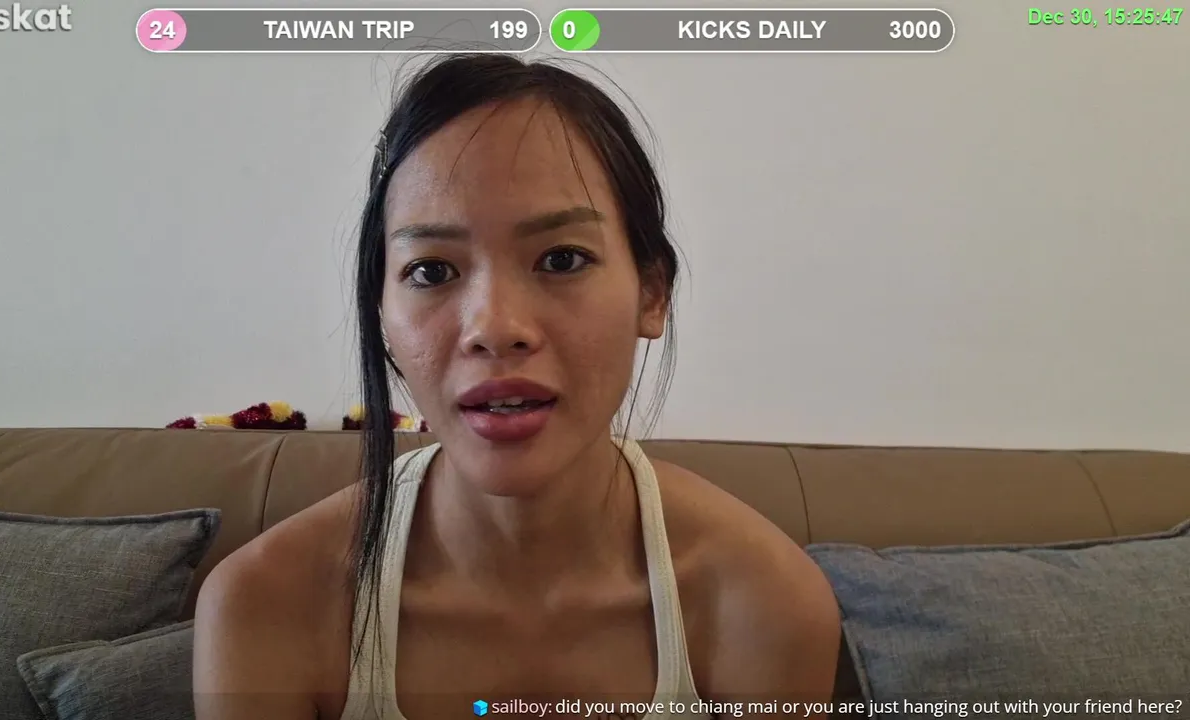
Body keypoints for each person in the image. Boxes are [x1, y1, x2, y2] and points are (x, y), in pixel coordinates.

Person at [193, 54, 840, 720]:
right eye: (432, 270)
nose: (495, 329)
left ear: (652, 293)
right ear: (380, 309)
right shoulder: (266, 606)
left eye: (562, 259)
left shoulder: (765, 603)